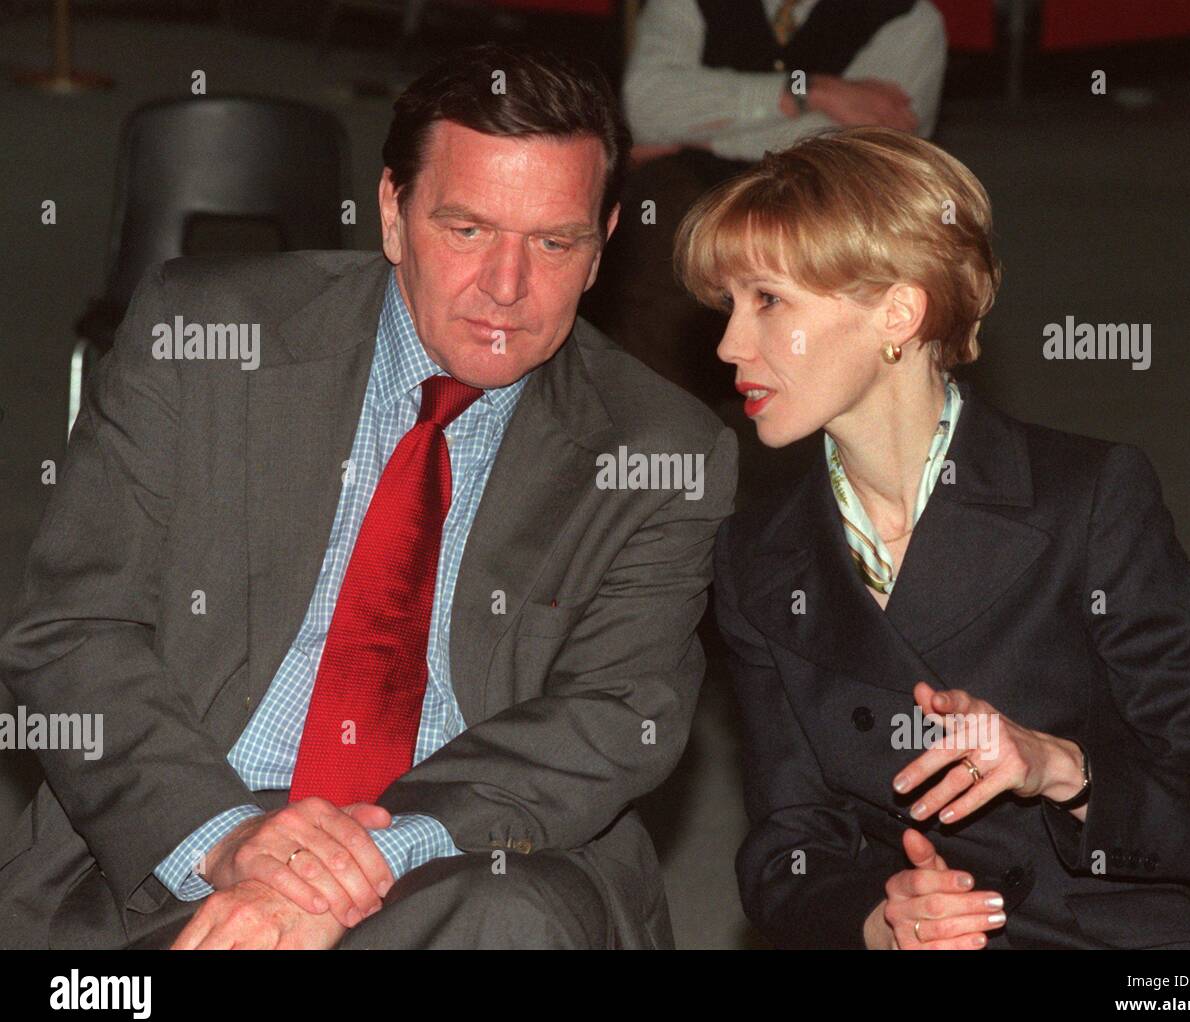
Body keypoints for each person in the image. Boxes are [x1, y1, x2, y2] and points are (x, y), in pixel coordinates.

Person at [0, 43, 737, 950]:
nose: (507, 289)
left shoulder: (660, 447)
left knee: (510, 921)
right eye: (466, 230)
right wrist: (227, 839)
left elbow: (618, 715)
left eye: (554, 242)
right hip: (176, 843)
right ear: (393, 214)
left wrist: (355, 866)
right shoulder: (206, 338)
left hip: (465, 858)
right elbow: (73, 630)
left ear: (603, 245)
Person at [674, 125, 1190, 949]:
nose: (728, 345)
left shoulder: (1087, 500)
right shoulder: (756, 560)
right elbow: (788, 848)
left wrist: (1056, 767)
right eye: (728, 306)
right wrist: (880, 915)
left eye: (768, 301)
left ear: (897, 310)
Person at [581, 0, 948, 402]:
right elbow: (647, 104)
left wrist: (697, 133)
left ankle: (799, 420)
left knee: (817, 267)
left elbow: (865, 148)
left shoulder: (910, 17)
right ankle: (655, 429)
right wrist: (811, 91)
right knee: (656, 244)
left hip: (826, 201)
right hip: (690, 193)